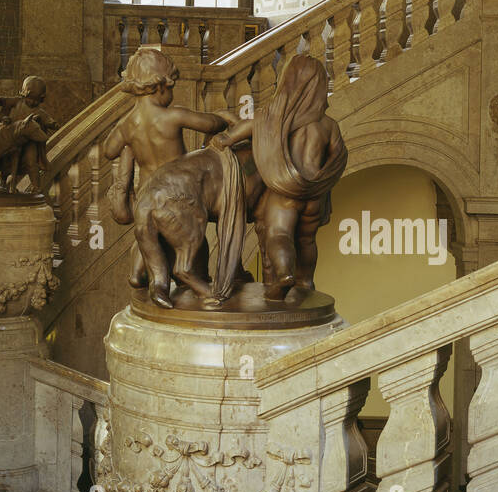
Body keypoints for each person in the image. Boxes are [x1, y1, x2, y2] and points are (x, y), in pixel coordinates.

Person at [211, 53, 347, 303]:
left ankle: (284, 275)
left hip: (284, 194)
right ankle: (306, 280)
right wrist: (318, 179)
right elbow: (339, 156)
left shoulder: (273, 119)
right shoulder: (328, 125)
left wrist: (225, 137)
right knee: (307, 239)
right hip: (314, 193)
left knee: (279, 234)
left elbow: (234, 135)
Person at [103, 47, 228, 303]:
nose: (172, 94)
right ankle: (195, 283)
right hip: (178, 195)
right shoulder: (173, 116)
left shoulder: (128, 124)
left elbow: (108, 150)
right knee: (196, 247)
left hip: (145, 198)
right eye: (172, 87)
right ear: (160, 86)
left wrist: (128, 142)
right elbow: (212, 125)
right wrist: (223, 118)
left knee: (147, 237)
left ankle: (144, 275)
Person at [0, 76, 58, 192]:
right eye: (30, 98)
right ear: (24, 94)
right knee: (3, 161)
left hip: (28, 141)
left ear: (41, 99)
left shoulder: (38, 111)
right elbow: (3, 101)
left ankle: (36, 186)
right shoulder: (16, 102)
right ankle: (1, 181)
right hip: (11, 139)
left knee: (31, 162)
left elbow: (47, 119)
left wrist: (52, 124)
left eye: (37, 100)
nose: (33, 102)